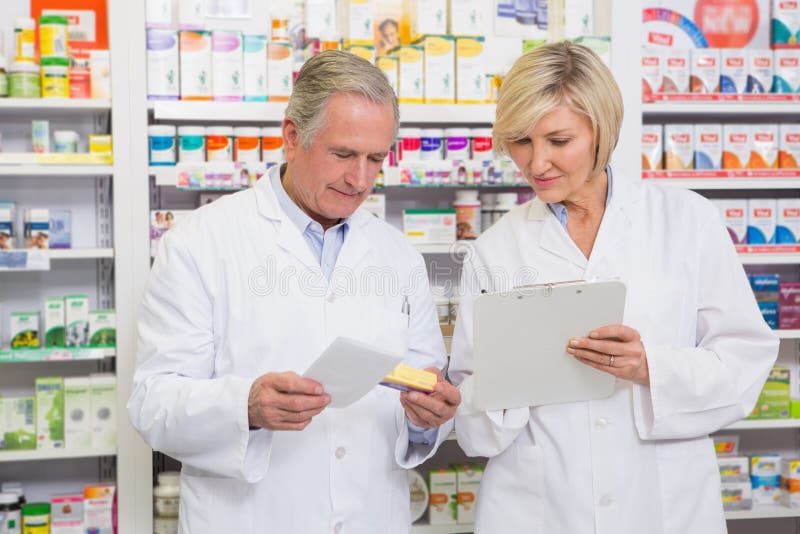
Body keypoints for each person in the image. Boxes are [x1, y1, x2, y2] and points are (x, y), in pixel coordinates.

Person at [447, 41, 778, 534]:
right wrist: (509, 381)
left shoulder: (686, 221)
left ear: (600, 132)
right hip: (538, 509)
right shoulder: (494, 250)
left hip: (663, 505)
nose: (536, 163)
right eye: (520, 141)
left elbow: (745, 363)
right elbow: (473, 427)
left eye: (559, 141)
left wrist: (652, 367)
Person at [128, 50, 460, 533]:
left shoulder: (397, 255)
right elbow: (152, 403)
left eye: (375, 159)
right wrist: (245, 405)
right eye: (343, 154)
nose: (360, 179)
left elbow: (423, 383)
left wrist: (428, 416)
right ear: (291, 136)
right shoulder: (200, 243)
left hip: (372, 516)